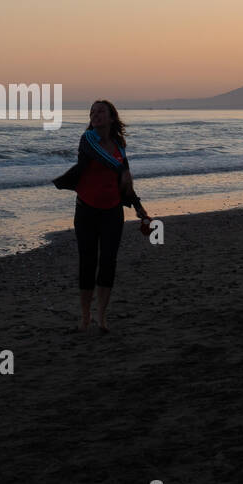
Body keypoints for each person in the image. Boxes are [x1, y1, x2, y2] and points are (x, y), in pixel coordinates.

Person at [52, 100, 152, 332]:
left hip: (113, 211)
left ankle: (101, 316)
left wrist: (139, 207)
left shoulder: (119, 145)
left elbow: (125, 184)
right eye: (92, 112)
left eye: (100, 111)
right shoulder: (87, 140)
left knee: (108, 262)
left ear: (111, 118)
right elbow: (103, 159)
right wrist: (123, 170)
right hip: (86, 209)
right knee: (88, 262)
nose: (95, 115)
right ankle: (85, 316)